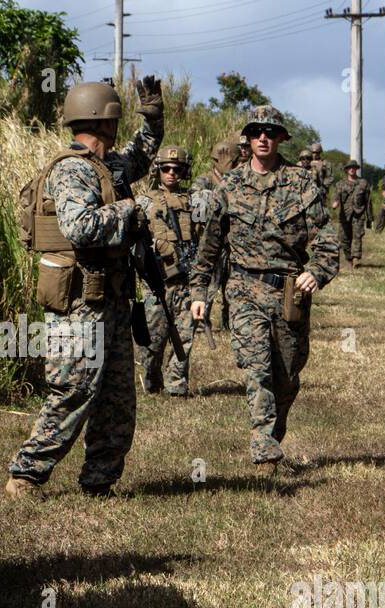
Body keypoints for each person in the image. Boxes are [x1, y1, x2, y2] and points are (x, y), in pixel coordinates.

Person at [5, 77, 169, 497]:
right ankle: (26, 473)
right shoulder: (72, 169)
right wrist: (133, 209)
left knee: (117, 398)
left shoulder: (107, 167)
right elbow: (80, 227)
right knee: (73, 390)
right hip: (78, 301)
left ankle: (99, 481)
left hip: (111, 299)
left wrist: (153, 115)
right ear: (106, 120)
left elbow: (142, 155)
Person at [189, 105, 339, 469]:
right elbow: (209, 246)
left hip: (289, 293)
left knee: (286, 377)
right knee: (257, 369)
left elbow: (327, 243)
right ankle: (262, 444)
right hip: (243, 289)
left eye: (270, 133)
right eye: (256, 132)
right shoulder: (230, 186)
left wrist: (317, 271)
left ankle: (272, 439)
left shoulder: (301, 185)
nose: (262, 138)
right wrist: (199, 292)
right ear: (248, 138)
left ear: (280, 138)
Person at [138, 145, 199, 397]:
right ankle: (151, 382)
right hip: (158, 281)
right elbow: (135, 241)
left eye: (177, 169)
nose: (171, 173)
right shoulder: (145, 202)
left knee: (184, 336)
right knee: (153, 339)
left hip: (185, 281)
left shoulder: (193, 202)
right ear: (158, 171)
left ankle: (177, 385)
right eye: (166, 168)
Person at [190, 138, 239, 331]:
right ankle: (202, 320)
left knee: (231, 284)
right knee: (211, 283)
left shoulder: (235, 181)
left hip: (231, 242)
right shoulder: (205, 180)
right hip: (212, 241)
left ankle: (230, 322)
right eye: (233, 162)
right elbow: (195, 205)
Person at [331, 160, 371, 268]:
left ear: (357, 169)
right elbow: (336, 196)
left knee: (357, 236)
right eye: (350, 168)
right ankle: (349, 258)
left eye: (354, 167)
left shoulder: (363, 183)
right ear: (347, 170)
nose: (352, 169)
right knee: (344, 238)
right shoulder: (340, 184)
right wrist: (335, 203)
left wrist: (369, 218)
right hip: (345, 215)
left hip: (358, 214)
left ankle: (356, 258)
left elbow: (368, 202)